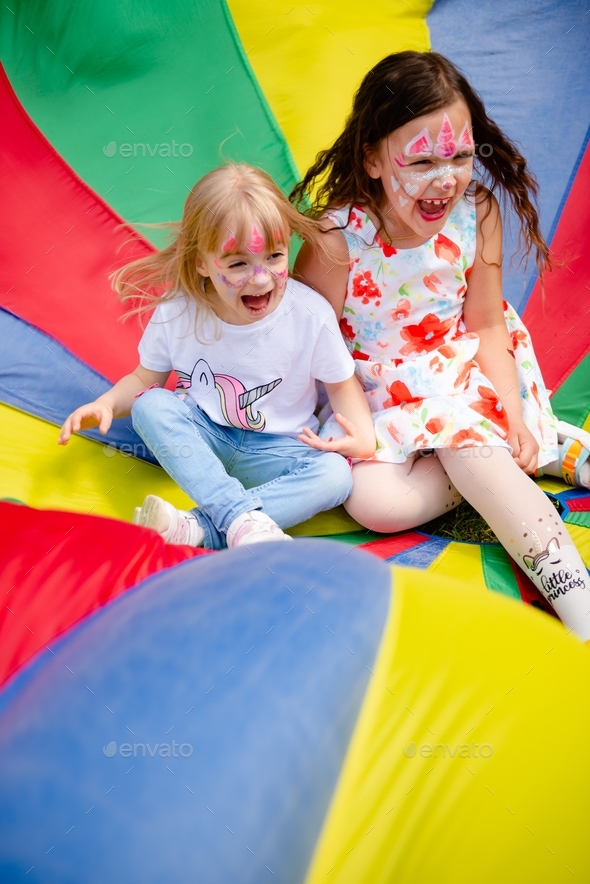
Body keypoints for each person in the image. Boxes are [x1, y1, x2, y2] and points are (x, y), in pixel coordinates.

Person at [292, 51, 590, 639]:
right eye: (422, 159)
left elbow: (483, 325)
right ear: (373, 159)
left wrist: (509, 409)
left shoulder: (474, 214)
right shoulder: (336, 239)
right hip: (376, 394)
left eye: (458, 155)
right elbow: (313, 349)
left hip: (465, 370)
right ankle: (551, 451)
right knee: (378, 506)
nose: (445, 178)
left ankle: (577, 600)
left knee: (468, 445)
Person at [58, 164, 375, 550]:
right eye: (238, 263)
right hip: (204, 442)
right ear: (202, 262)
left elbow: (342, 386)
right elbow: (145, 381)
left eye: (274, 257)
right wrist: (107, 403)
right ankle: (241, 521)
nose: (260, 278)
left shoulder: (310, 315)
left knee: (335, 477)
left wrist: (361, 438)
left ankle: (200, 530)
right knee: (150, 407)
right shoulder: (179, 311)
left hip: (277, 450)